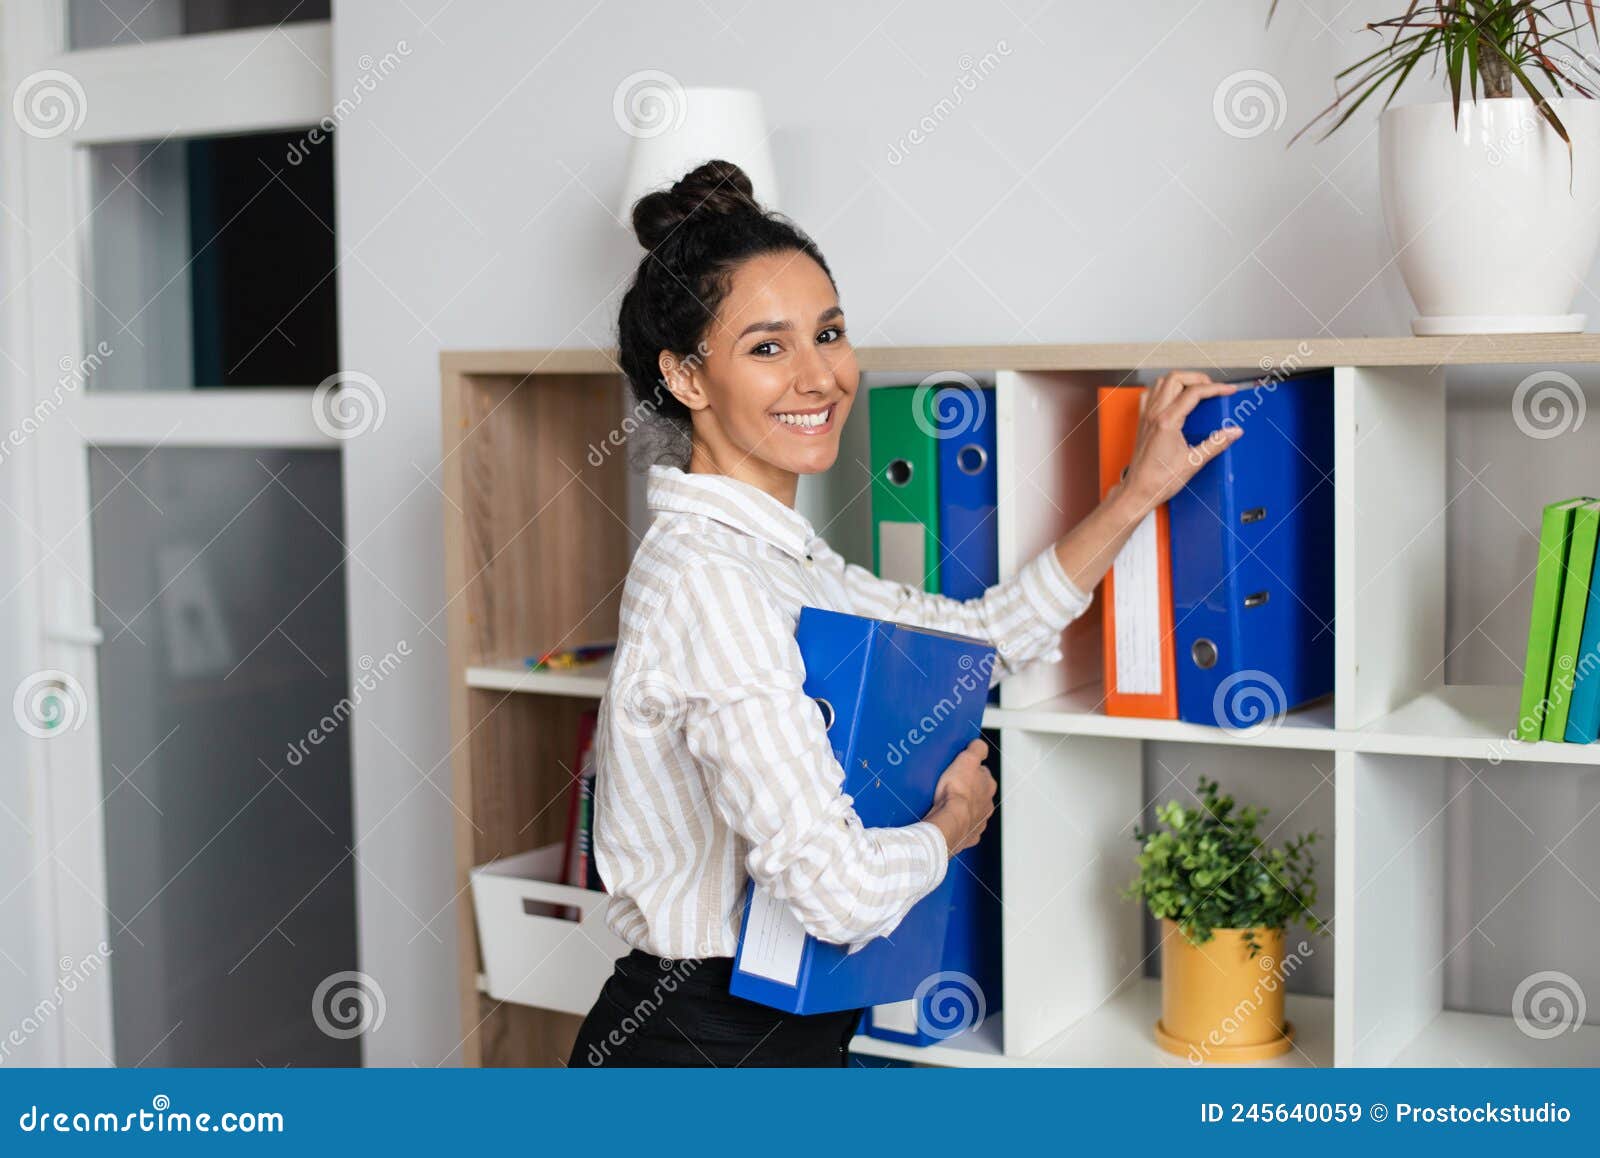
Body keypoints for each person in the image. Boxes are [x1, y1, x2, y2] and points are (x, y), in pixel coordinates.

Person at [568, 159, 1241, 1068]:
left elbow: (982, 640)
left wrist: (1134, 494)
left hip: (782, 1036)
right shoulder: (710, 581)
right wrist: (949, 828)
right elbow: (835, 891)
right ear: (687, 378)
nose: (821, 376)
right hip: (701, 1048)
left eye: (830, 333)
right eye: (768, 348)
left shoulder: (784, 561)